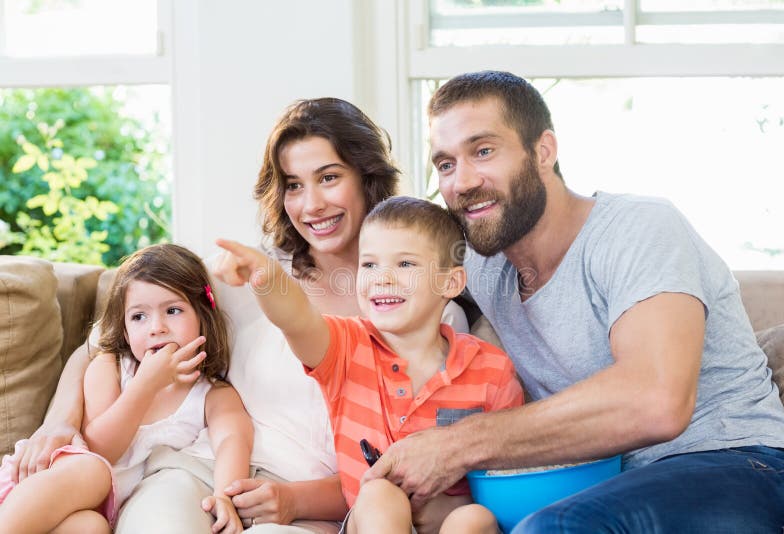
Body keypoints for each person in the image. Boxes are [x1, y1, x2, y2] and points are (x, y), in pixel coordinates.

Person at [362, 70, 784, 532]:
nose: (462, 181)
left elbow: (657, 400)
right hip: (605, 486)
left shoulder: (638, 228)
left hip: (746, 464)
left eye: (483, 151)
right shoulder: (483, 263)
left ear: (543, 151)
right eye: (446, 164)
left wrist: (457, 445)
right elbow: (384, 269)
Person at [8, 97, 466, 533]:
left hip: (318, 506)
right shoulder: (245, 274)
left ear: (367, 177)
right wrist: (59, 422)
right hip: (198, 473)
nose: (311, 205)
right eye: (293, 185)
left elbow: (403, 468)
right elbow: (100, 348)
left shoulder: (423, 310)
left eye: (328, 177)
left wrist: (295, 500)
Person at [214, 196, 524, 534]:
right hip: (371, 522)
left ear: (449, 282)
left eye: (405, 264)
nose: (382, 278)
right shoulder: (346, 347)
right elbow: (297, 320)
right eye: (370, 264)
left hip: (450, 523)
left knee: (474, 518)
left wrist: (457, 505)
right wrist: (266, 275)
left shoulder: (491, 369)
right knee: (380, 493)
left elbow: (509, 469)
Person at [0, 243, 252, 534]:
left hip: (100, 511)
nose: (156, 327)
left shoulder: (213, 394)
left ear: (202, 317)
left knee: (93, 528)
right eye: (139, 317)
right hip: (42, 485)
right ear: (125, 331)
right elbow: (100, 449)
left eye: (173, 310)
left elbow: (232, 440)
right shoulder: (111, 368)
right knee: (94, 471)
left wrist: (224, 495)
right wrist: (145, 386)